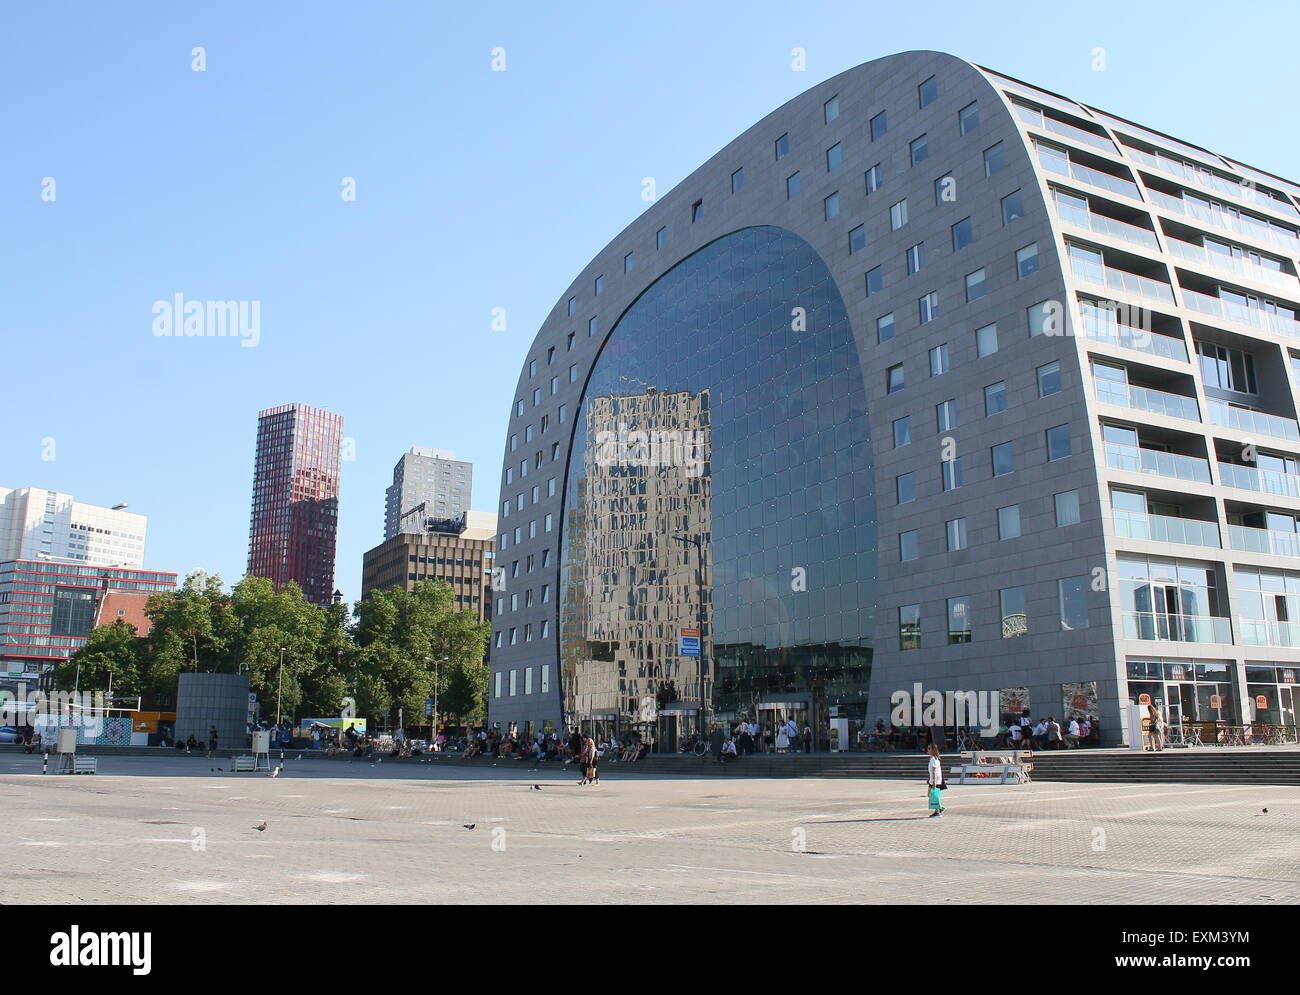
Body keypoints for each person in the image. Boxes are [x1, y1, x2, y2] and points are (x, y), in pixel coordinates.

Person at [926, 744, 946, 818]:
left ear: (933, 750)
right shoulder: (935, 758)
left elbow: (934, 770)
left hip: (935, 781)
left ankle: (937, 811)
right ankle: (939, 808)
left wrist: (933, 781)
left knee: (933, 795)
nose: (928, 750)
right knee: (931, 795)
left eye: (929, 748)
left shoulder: (933, 759)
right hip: (934, 780)